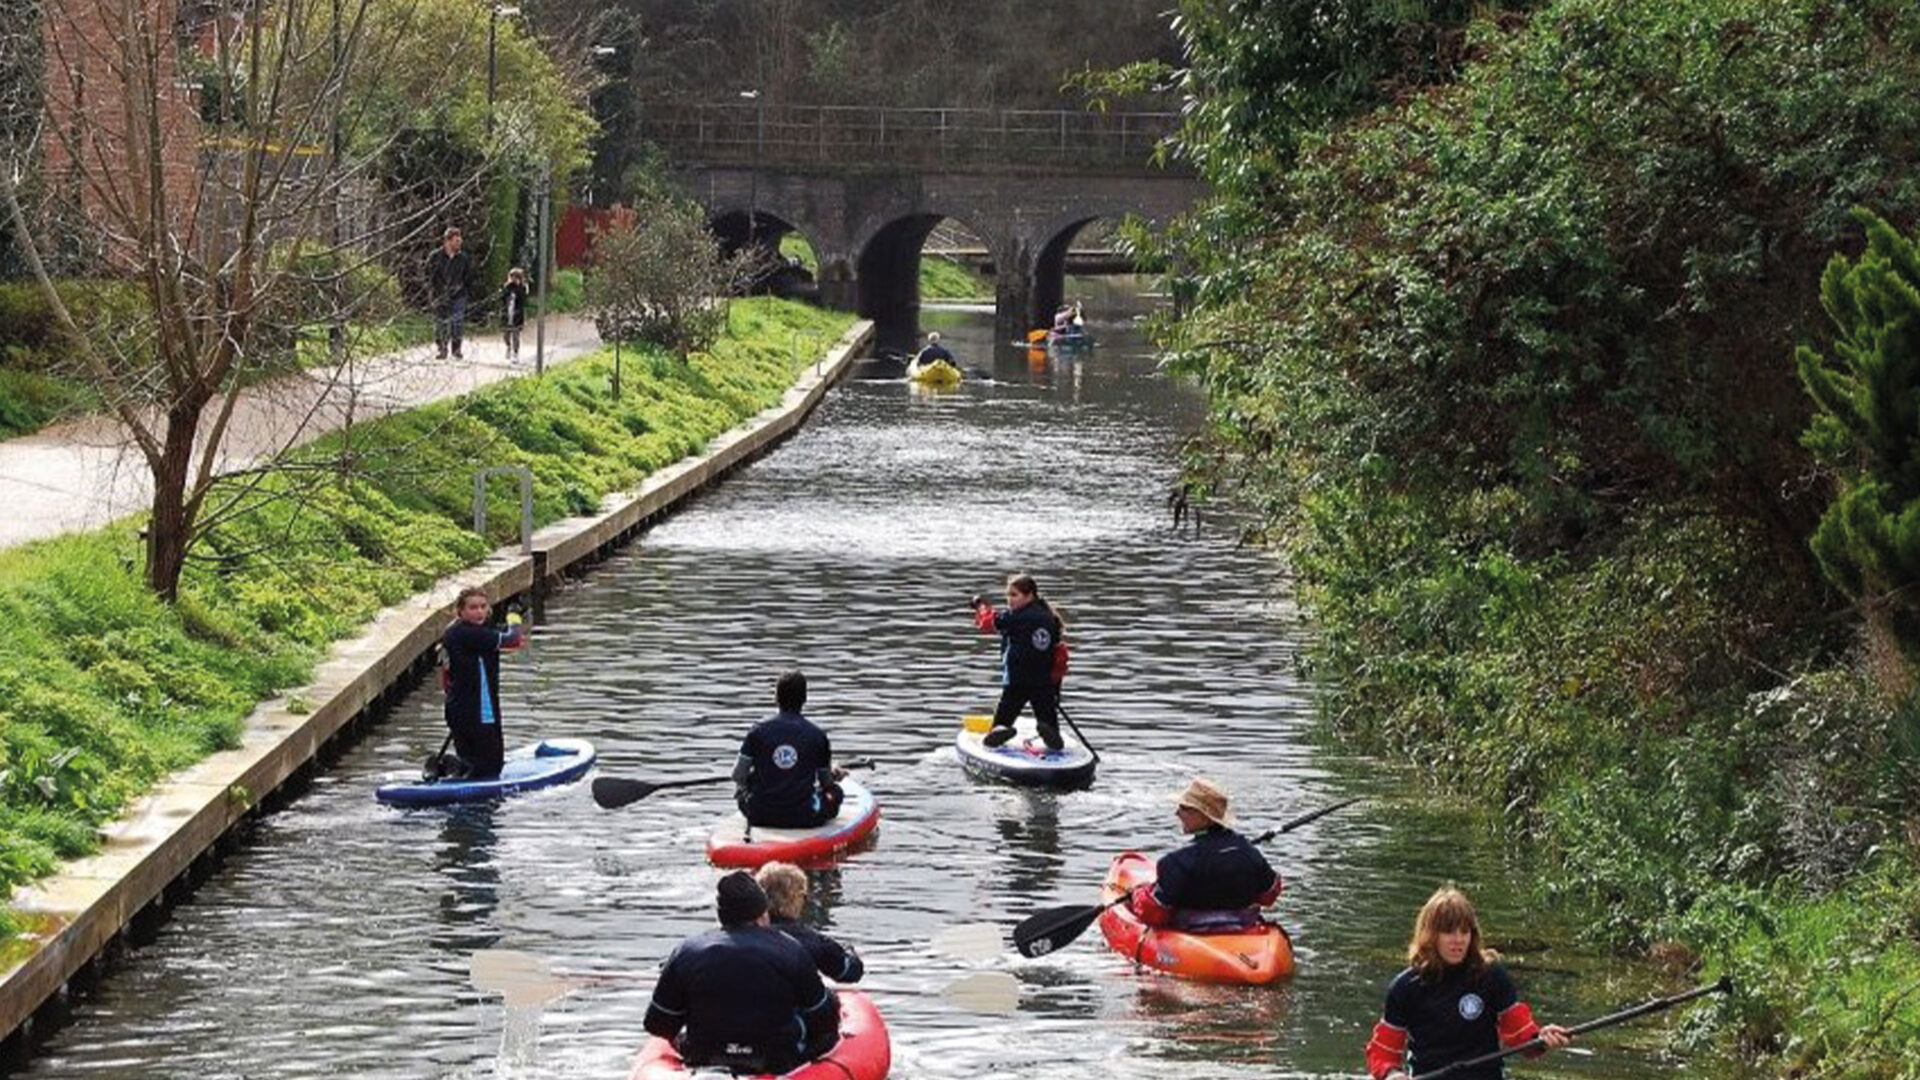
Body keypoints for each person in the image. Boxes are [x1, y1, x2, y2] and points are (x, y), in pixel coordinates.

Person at [1366, 887, 1573, 1080]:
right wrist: (1393, 1075)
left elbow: (1522, 1037)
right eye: (1449, 932)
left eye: (1464, 932)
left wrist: (1542, 1039)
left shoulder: (1491, 976)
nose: (1458, 940)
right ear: (1431, 936)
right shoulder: (1405, 987)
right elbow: (1383, 1053)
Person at [644, 871, 840, 1074]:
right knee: (825, 1007)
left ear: (720, 916)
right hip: (775, 1060)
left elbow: (657, 1024)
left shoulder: (686, 951)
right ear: (764, 914)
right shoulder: (791, 950)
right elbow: (824, 1022)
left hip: (704, 1056)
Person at [1128, 778, 1283, 932]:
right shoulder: (1250, 853)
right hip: (1243, 931)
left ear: (1203, 816)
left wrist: (1138, 893)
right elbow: (1269, 895)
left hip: (1192, 938)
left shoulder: (1175, 862)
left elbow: (1153, 913)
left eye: (1184, 807)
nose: (1177, 813)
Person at [733, 670, 845, 828]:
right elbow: (826, 783)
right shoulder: (818, 735)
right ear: (805, 699)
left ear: (776, 698)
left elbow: (738, 775)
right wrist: (834, 774)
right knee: (836, 793)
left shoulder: (757, 731)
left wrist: (753, 779)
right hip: (804, 816)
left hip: (758, 814)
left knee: (745, 787)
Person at [970, 573, 1066, 750]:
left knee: (999, 724)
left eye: (1014, 595)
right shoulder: (1050, 618)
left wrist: (981, 606)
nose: (1009, 600)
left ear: (1029, 595)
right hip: (1043, 684)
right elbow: (1059, 657)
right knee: (1048, 722)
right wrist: (1056, 691)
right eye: (1008, 595)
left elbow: (989, 623)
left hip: (1017, 682)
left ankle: (1001, 729)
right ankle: (1049, 731)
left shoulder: (1017, 617)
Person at [438, 586, 524, 780]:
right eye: (473, 608)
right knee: (492, 767)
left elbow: (445, 675)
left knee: (474, 763)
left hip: (459, 708)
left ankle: (460, 770)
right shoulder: (468, 634)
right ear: (460, 611)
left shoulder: (454, 632)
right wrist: (514, 617)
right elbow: (514, 639)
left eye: (483, 607)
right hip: (479, 711)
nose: (479, 612)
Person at [755, 861, 865, 983]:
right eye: (803, 896)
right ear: (796, 899)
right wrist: (848, 950)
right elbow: (850, 972)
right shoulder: (811, 940)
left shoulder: (742, 933)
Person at [426, 226, 474, 359]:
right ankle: (442, 348)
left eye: (460, 241)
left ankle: (456, 349)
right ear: (448, 241)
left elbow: (468, 276)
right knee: (440, 322)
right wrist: (433, 291)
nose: (459, 243)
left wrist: (465, 290)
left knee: (457, 322)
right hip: (440, 294)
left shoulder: (464, 258)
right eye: (456, 241)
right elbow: (428, 276)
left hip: (459, 294)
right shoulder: (435, 257)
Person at [500, 267, 529, 361]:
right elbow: (502, 297)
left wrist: (518, 286)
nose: (513, 279)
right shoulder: (507, 287)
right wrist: (507, 286)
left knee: (516, 335)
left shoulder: (523, 288)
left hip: (517, 315)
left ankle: (515, 353)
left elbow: (523, 299)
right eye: (511, 277)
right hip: (507, 314)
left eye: (515, 277)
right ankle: (508, 346)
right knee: (506, 335)